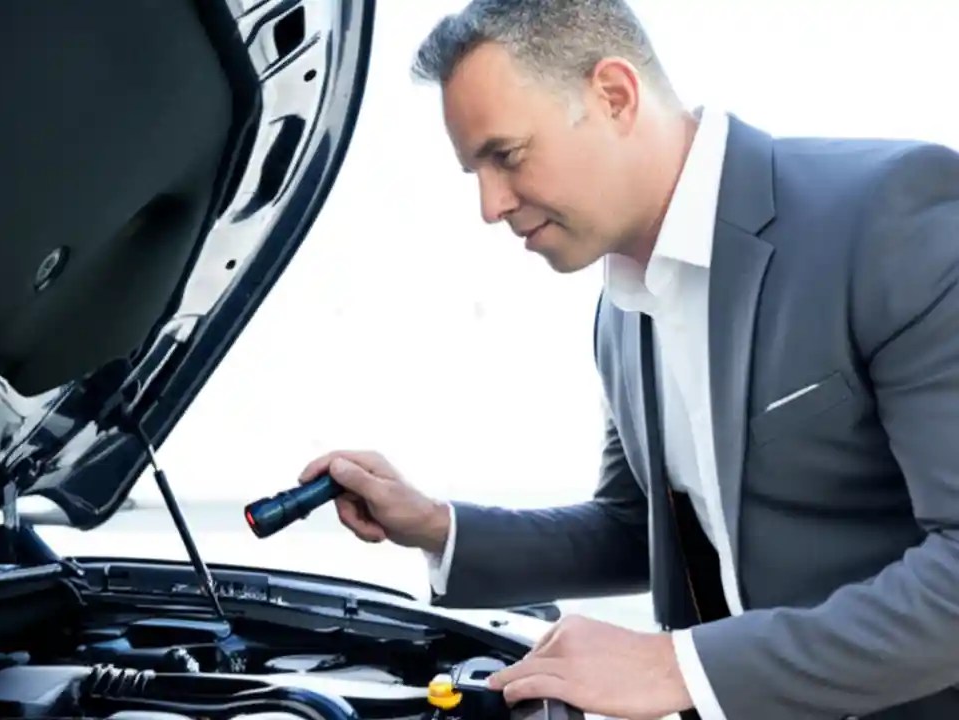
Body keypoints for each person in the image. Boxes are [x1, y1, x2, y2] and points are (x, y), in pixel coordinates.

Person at [296, 1, 959, 719]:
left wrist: (677, 667)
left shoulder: (887, 215)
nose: (490, 205)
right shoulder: (620, 311)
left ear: (614, 95)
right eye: (473, 172)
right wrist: (435, 525)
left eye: (507, 155)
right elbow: (639, 527)